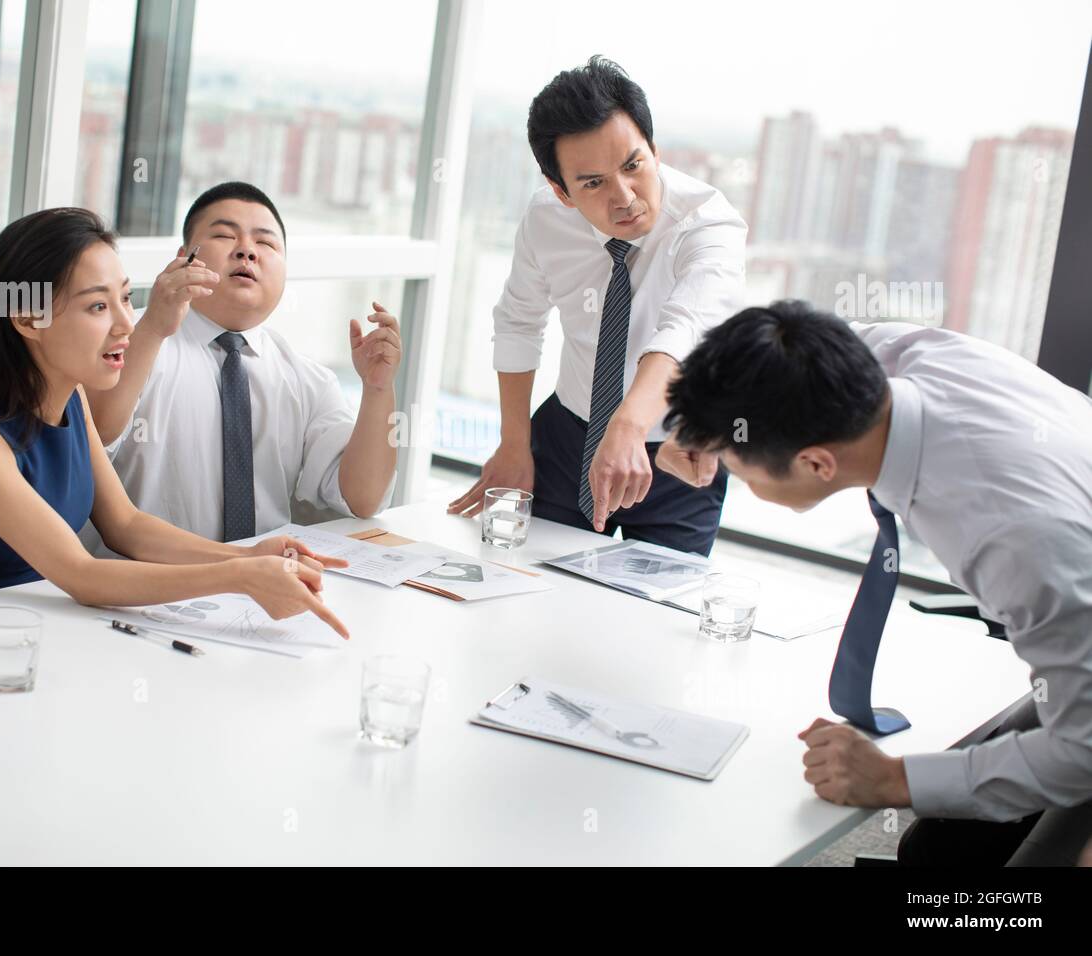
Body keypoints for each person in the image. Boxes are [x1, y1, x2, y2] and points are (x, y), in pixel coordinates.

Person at [659, 300, 1092, 866]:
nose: (726, 469)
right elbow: (778, 352)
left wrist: (891, 781)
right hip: (1076, 614)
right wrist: (702, 425)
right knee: (944, 844)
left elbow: (1081, 748)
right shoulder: (896, 356)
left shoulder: (1007, 536)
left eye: (735, 467)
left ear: (817, 464)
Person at [0, 206, 349, 639]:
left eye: (125, 298)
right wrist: (237, 577)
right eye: (98, 306)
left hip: (22, 634)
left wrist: (248, 555)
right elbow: (81, 573)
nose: (126, 323)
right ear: (26, 317)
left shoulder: (72, 399)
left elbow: (126, 526)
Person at [447, 56, 746, 555]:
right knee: (534, 589)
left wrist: (628, 426)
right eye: (593, 183)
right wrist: (514, 444)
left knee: (655, 617)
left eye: (633, 166)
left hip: (678, 453)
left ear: (654, 149)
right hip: (567, 439)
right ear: (561, 191)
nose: (624, 197)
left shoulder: (709, 225)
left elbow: (685, 329)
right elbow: (519, 322)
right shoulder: (546, 220)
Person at [85, 181, 399, 546]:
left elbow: (363, 500)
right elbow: (97, 432)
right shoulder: (129, 337)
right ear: (184, 256)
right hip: (136, 587)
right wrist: (154, 325)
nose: (247, 251)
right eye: (224, 236)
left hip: (260, 589)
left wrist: (377, 389)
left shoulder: (307, 380)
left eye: (265, 243)